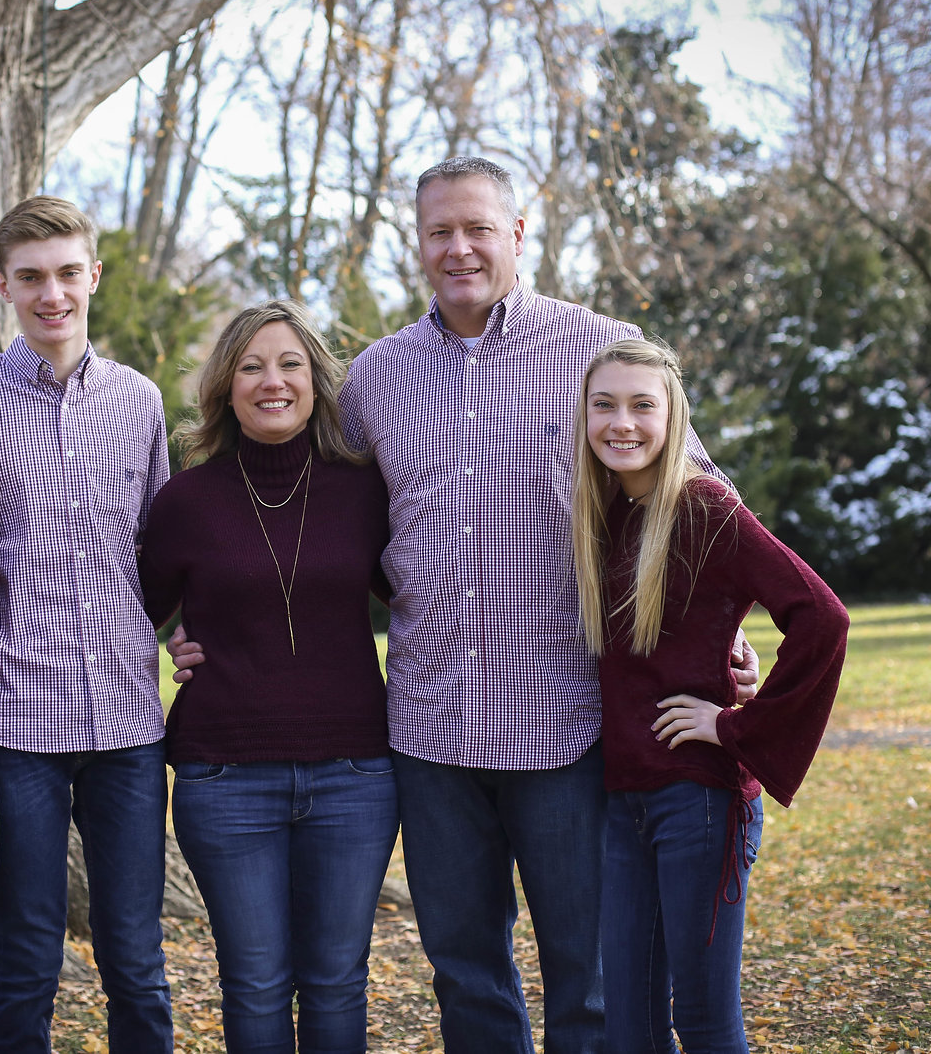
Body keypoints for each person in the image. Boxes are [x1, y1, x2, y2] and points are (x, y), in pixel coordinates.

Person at [167, 156, 759, 1054]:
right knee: (466, 972)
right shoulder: (375, 380)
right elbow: (303, 504)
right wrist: (204, 623)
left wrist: (723, 637)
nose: (460, 247)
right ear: (418, 245)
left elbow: (697, 497)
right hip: (430, 733)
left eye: (479, 227)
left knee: (587, 977)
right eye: (440, 231)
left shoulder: (595, 351)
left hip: (566, 720)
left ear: (518, 235)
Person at [572, 338, 848, 1053]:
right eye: (604, 404)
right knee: (628, 1028)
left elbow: (821, 615)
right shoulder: (604, 516)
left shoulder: (704, 505)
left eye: (642, 405)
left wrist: (736, 725)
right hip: (621, 800)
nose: (621, 422)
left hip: (698, 803)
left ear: (673, 417)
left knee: (702, 1021)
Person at [139, 300, 396, 1053]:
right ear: (226, 387)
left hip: (354, 771)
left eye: (288, 364)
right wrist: (170, 642)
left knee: (338, 979)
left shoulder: (364, 491)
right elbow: (127, 615)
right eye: (251, 366)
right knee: (252, 983)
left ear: (317, 381)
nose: (271, 380)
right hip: (225, 776)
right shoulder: (184, 499)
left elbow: (435, 593)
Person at [0, 196, 173, 1053]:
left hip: (129, 721)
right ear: (3, 286)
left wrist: (183, 631)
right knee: (27, 950)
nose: (51, 293)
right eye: (30, 278)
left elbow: (161, 546)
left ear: (92, 276)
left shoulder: (139, 400)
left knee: (134, 952)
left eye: (66, 273)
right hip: (15, 717)